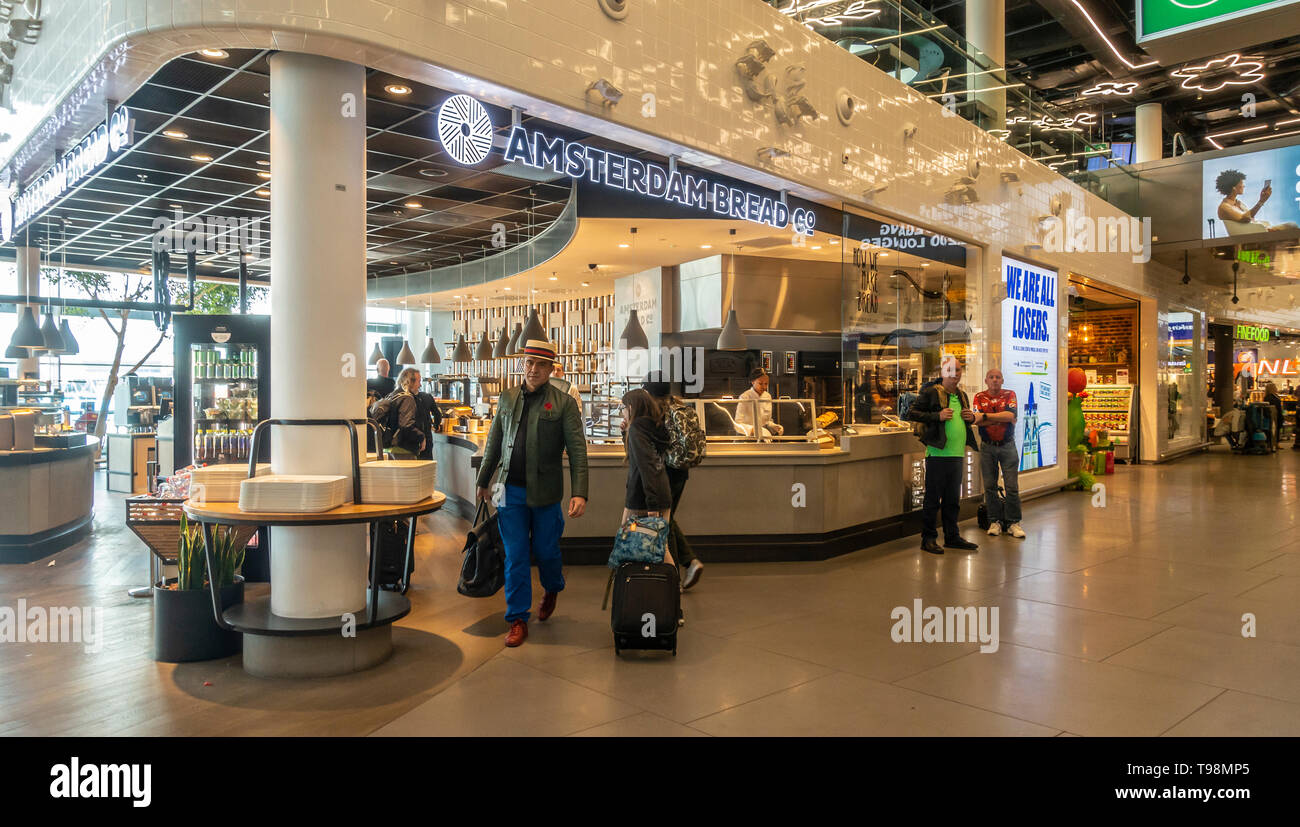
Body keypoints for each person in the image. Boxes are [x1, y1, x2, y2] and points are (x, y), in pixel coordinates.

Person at [476, 340, 588, 648]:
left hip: (546, 491)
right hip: (506, 489)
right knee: (515, 555)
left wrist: (580, 492)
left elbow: (578, 450)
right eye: (528, 363)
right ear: (521, 364)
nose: (532, 369)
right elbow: (494, 442)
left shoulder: (563, 403)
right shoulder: (508, 398)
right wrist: (484, 479)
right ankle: (517, 619)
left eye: (540, 365)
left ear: (551, 369)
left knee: (546, 551)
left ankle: (552, 587)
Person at [906, 355, 979, 555]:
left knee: (952, 499)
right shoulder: (931, 392)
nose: (955, 374)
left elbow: (964, 419)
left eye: (958, 370)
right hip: (938, 454)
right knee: (932, 499)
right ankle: (928, 538)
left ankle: (952, 536)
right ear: (942, 373)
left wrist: (970, 417)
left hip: (957, 454)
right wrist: (937, 416)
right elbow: (911, 412)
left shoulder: (962, 395)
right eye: (951, 370)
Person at [644, 373, 704, 590]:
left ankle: (676, 575)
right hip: (682, 471)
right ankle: (689, 562)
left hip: (665, 471)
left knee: (664, 521)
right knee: (668, 519)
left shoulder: (657, 412)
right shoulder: (680, 406)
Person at [973, 368, 1024, 539]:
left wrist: (986, 416)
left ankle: (1013, 522)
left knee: (1011, 487)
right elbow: (976, 419)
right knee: (989, 487)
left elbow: (1011, 415)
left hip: (1007, 445)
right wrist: (998, 417)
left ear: (1002, 380)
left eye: (998, 377)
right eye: (991, 377)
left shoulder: (1010, 394)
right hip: (987, 447)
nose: (995, 380)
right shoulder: (979, 397)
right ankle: (994, 521)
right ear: (986, 380)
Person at [1215, 170, 1299, 231]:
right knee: (1292, 226)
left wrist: (1264, 226)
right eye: (1241, 183)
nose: (1244, 186)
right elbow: (1245, 218)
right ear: (1234, 187)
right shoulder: (1224, 207)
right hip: (1253, 235)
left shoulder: (1239, 203)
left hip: (1260, 229)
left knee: (1292, 226)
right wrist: (1261, 201)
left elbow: (1251, 219)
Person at [379, 368, 430, 459]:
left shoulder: (392, 395)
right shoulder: (407, 399)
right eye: (419, 381)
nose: (420, 385)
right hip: (403, 450)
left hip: (390, 448)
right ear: (410, 382)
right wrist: (421, 437)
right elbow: (406, 426)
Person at [736, 368, 784, 438]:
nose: (764, 387)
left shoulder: (767, 396)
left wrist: (774, 426)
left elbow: (767, 421)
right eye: (760, 383)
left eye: (766, 384)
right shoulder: (745, 397)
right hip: (746, 437)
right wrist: (753, 430)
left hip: (762, 437)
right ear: (753, 382)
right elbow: (737, 424)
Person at [1264, 381, 1284, 451]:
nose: (1276, 388)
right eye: (1275, 387)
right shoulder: (1270, 397)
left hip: (1276, 415)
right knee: (1274, 429)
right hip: (1274, 415)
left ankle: (1275, 443)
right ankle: (1274, 443)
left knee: (1276, 429)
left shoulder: (1269, 397)